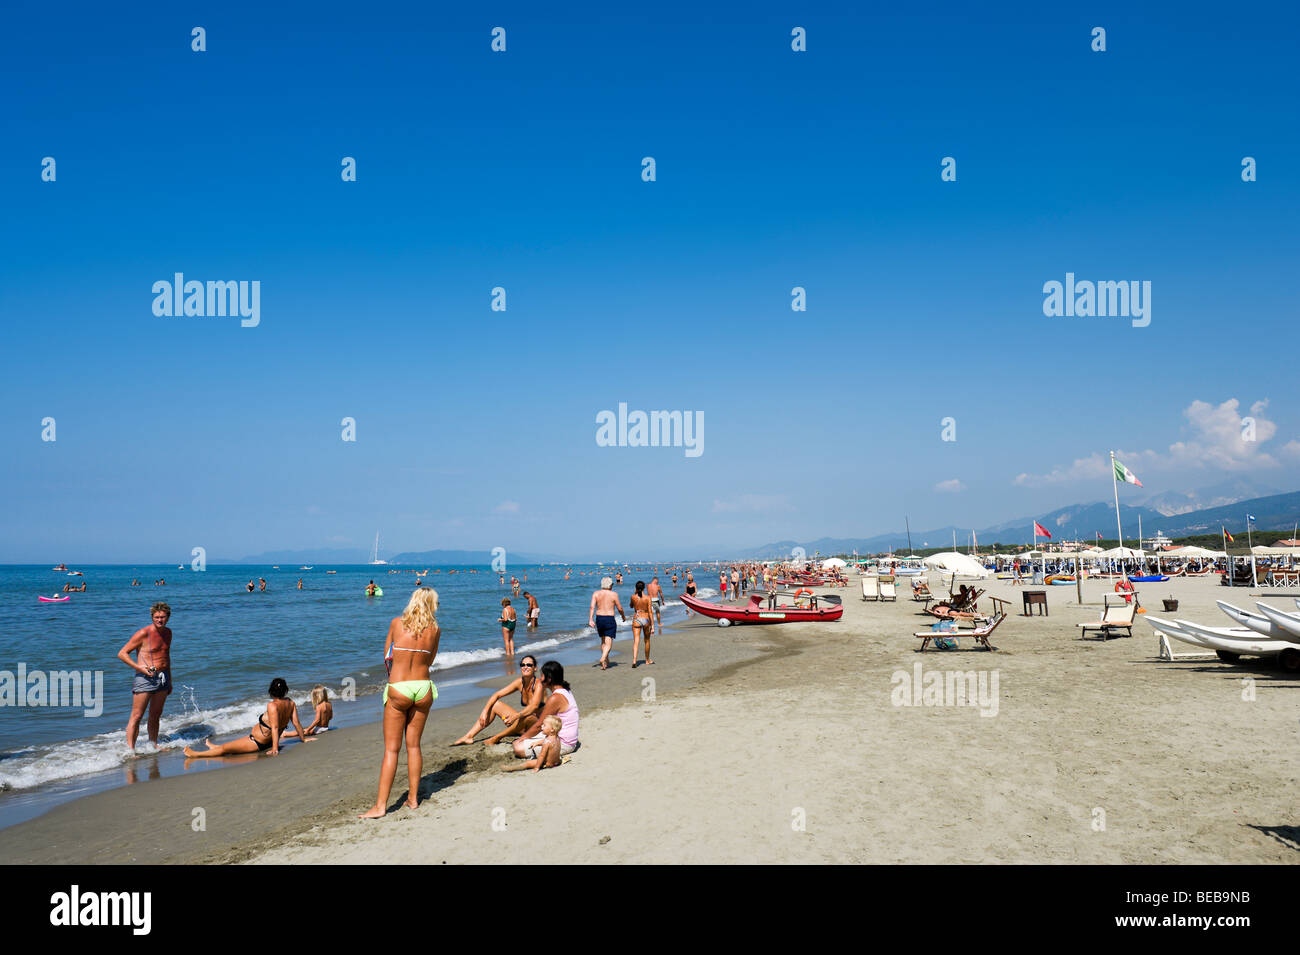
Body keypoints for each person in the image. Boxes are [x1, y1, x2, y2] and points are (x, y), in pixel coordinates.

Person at [360, 588, 441, 818]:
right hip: (423, 688)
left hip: (399, 688)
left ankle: (380, 806)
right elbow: (431, 659)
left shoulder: (397, 623)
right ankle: (413, 799)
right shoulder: (435, 630)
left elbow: (387, 655)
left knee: (391, 750)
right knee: (414, 746)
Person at [185, 678, 315, 757]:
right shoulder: (291, 703)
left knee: (225, 750)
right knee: (228, 746)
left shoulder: (272, 705)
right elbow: (297, 723)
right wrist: (302, 739)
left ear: (271, 691)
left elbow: (275, 728)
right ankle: (214, 747)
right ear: (285, 690)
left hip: (258, 743)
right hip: (260, 740)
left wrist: (275, 749)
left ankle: (196, 755)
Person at [117, 602, 175, 751]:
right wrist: (139, 668)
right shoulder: (143, 633)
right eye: (156, 617)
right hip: (145, 678)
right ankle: (131, 750)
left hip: (163, 677)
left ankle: (153, 744)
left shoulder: (168, 633)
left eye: (162, 617)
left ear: (168, 617)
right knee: (136, 715)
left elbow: (166, 656)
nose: (159, 620)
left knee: (155, 714)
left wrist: (170, 680)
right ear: (152, 617)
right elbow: (122, 653)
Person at [451, 654, 545, 745]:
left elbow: (534, 706)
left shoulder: (539, 685)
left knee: (528, 717)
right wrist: (485, 711)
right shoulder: (519, 682)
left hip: (539, 727)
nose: (525, 667)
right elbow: (497, 694)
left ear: (535, 668)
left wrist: (515, 716)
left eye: (529, 665)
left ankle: (497, 737)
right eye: (522, 665)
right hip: (523, 724)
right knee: (495, 705)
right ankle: (469, 736)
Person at [512, 662, 579, 759]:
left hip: (564, 744)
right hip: (567, 739)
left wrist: (521, 739)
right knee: (528, 734)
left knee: (518, 747)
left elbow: (539, 725)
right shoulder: (565, 690)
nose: (540, 679)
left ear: (549, 679)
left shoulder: (555, 698)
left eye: (542, 676)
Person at [588, 577, 625, 670]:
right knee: (608, 642)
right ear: (609, 585)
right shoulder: (614, 594)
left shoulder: (596, 593)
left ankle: (605, 662)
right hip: (609, 619)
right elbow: (619, 608)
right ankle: (603, 658)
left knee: (603, 641)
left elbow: (592, 607)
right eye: (612, 585)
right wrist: (623, 616)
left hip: (599, 618)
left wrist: (590, 619)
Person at [630, 581, 655, 668]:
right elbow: (650, 612)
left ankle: (634, 660)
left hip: (636, 619)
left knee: (636, 641)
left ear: (636, 588)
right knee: (647, 640)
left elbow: (631, 606)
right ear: (644, 588)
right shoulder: (648, 598)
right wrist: (653, 626)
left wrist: (634, 594)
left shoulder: (633, 597)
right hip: (645, 619)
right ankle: (647, 660)